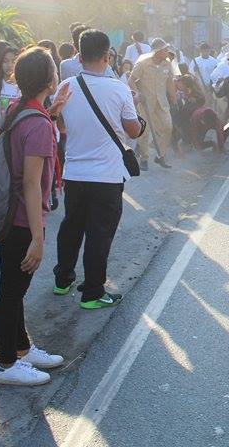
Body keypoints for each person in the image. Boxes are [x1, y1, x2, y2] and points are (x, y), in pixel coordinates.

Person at [0, 46, 70, 386]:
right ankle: (6, 364)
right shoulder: (37, 123)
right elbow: (32, 184)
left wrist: (52, 112)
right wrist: (38, 237)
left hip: (10, 215)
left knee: (14, 288)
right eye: (54, 69)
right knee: (11, 291)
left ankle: (21, 348)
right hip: (23, 220)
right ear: (50, 80)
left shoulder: (20, 109)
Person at [53, 30, 143, 310]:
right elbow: (133, 130)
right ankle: (92, 293)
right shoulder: (119, 89)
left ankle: (62, 280)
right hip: (107, 176)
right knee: (99, 235)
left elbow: (60, 124)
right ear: (108, 57)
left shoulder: (65, 86)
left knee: (71, 227)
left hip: (74, 174)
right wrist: (138, 115)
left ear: (79, 57)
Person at [128, 38, 176, 170]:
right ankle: (144, 158)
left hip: (162, 103)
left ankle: (161, 155)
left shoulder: (167, 64)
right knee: (145, 131)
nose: (167, 52)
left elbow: (170, 83)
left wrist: (174, 97)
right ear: (158, 51)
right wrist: (138, 94)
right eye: (165, 50)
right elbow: (131, 81)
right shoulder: (143, 64)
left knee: (168, 127)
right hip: (146, 103)